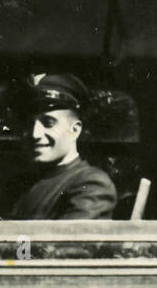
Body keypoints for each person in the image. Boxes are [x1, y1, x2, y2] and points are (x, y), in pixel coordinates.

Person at [8, 73, 117, 220]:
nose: (35, 134)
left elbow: (67, 242)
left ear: (74, 130)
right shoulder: (23, 183)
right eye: (30, 124)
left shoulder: (91, 184)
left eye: (48, 123)